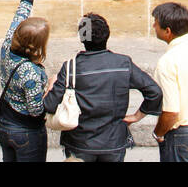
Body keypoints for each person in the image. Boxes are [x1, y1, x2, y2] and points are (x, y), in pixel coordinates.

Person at [45, 13, 162, 163]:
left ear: (82, 39)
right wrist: (136, 117)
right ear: (107, 35)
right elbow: (154, 92)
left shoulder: (71, 68)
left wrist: (50, 85)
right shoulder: (123, 63)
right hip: (113, 143)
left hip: (80, 143)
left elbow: (49, 104)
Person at [132, 2, 188, 163]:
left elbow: (171, 111)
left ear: (168, 31)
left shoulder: (168, 61)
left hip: (183, 134)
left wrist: (158, 133)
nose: (154, 26)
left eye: (156, 24)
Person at [0, 0, 50, 163]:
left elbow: (24, 5)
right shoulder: (31, 73)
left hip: (4, 124)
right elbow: (36, 110)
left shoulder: (8, 43)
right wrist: (50, 88)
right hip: (26, 132)